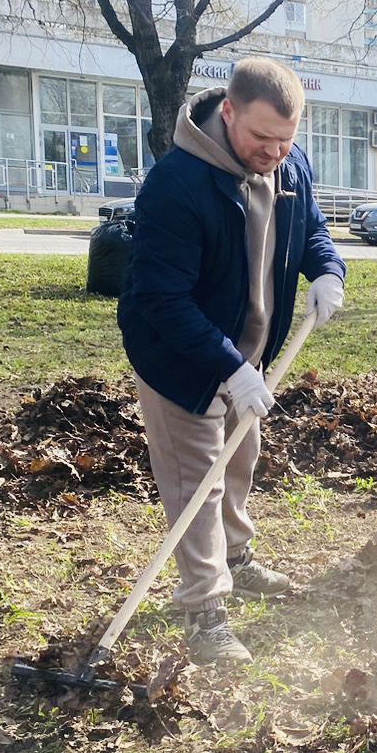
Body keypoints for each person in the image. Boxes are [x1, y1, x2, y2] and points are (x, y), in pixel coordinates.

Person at [119, 57, 346, 666]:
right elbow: (161, 300)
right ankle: (204, 608)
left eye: (286, 140)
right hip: (180, 360)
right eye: (261, 138)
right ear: (228, 112)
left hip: (248, 353)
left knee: (240, 458)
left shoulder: (288, 160)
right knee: (199, 480)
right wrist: (228, 367)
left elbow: (313, 226)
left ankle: (237, 560)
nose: (274, 152)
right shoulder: (176, 184)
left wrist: (326, 268)